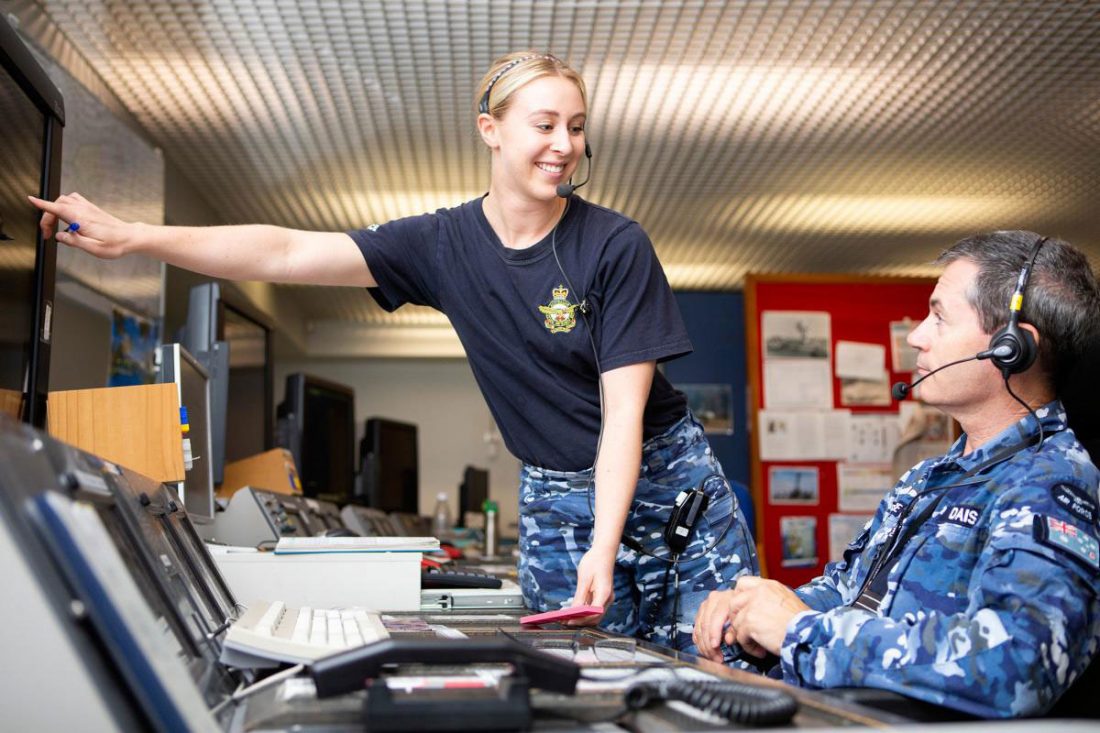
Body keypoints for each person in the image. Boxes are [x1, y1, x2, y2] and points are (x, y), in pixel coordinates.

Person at [29, 51, 757, 653]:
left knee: (713, 662)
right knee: (583, 671)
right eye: (543, 125)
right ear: (490, 130)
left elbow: (623, 416)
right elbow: (285, 251)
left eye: (575, 126)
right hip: (554, 491)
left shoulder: (614, 245)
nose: (563, 145)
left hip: (661, 481)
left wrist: (604, 545)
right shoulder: (441, 245)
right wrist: (136, 236)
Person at [694, 230, 1100, 717]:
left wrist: (799, 631)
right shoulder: (934, 477)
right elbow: (850, 593)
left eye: (939, 318)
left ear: (1011, 348)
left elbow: (1018, 663)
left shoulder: (1052, 483)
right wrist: (753, 612)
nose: (916, 336)